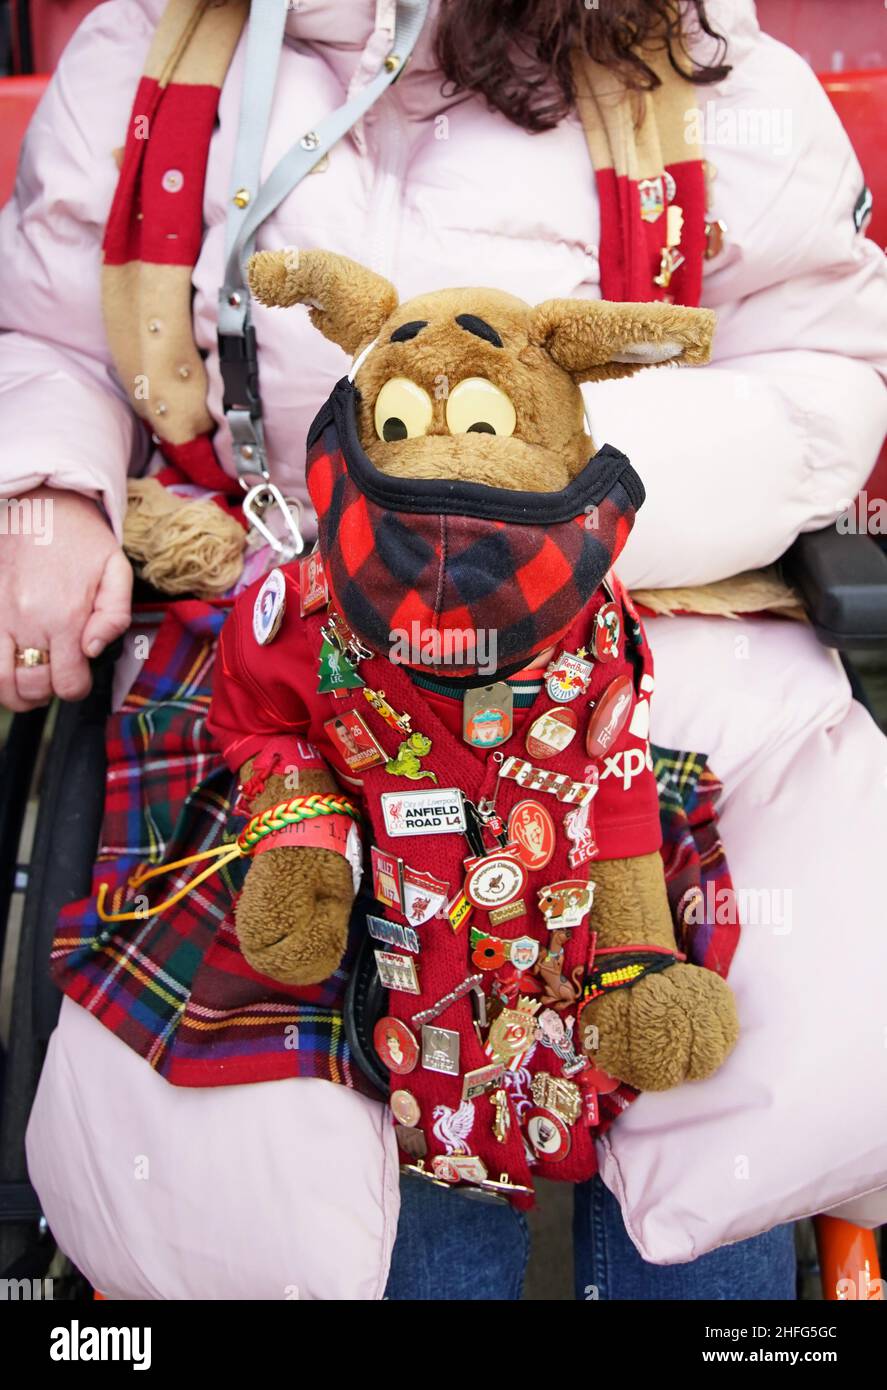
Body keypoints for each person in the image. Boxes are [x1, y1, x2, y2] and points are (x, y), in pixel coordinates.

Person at [3, 0, 886, 1300]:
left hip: (636, 616)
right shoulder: (151, 46)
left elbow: (823, 362)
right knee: (354, 948)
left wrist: (560, 515)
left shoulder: (690, 53)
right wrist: (49, 494)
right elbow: (51, 338)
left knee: (708, 998)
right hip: (285, 635)